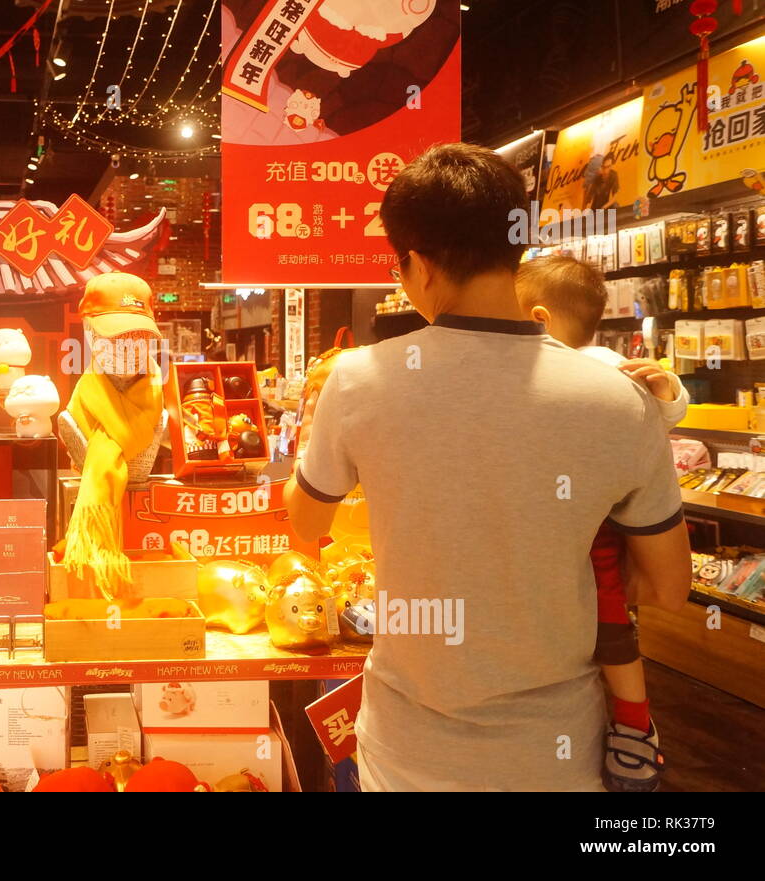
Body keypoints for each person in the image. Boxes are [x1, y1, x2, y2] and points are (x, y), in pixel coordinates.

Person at [284, 143, 691, 791]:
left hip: (409, 746)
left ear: (418, 265)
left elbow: (307, 525)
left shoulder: (358, 380)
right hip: (557, 751)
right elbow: (670, 586)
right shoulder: (620, 399)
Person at [516, 255, 688, 790]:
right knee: (599, 622)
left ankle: (636, 724)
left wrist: (667, 387)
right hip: (566, 520)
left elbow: (664, 410)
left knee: (612, 624)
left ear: (539, 320)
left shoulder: (600, 366)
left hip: (599, 528)